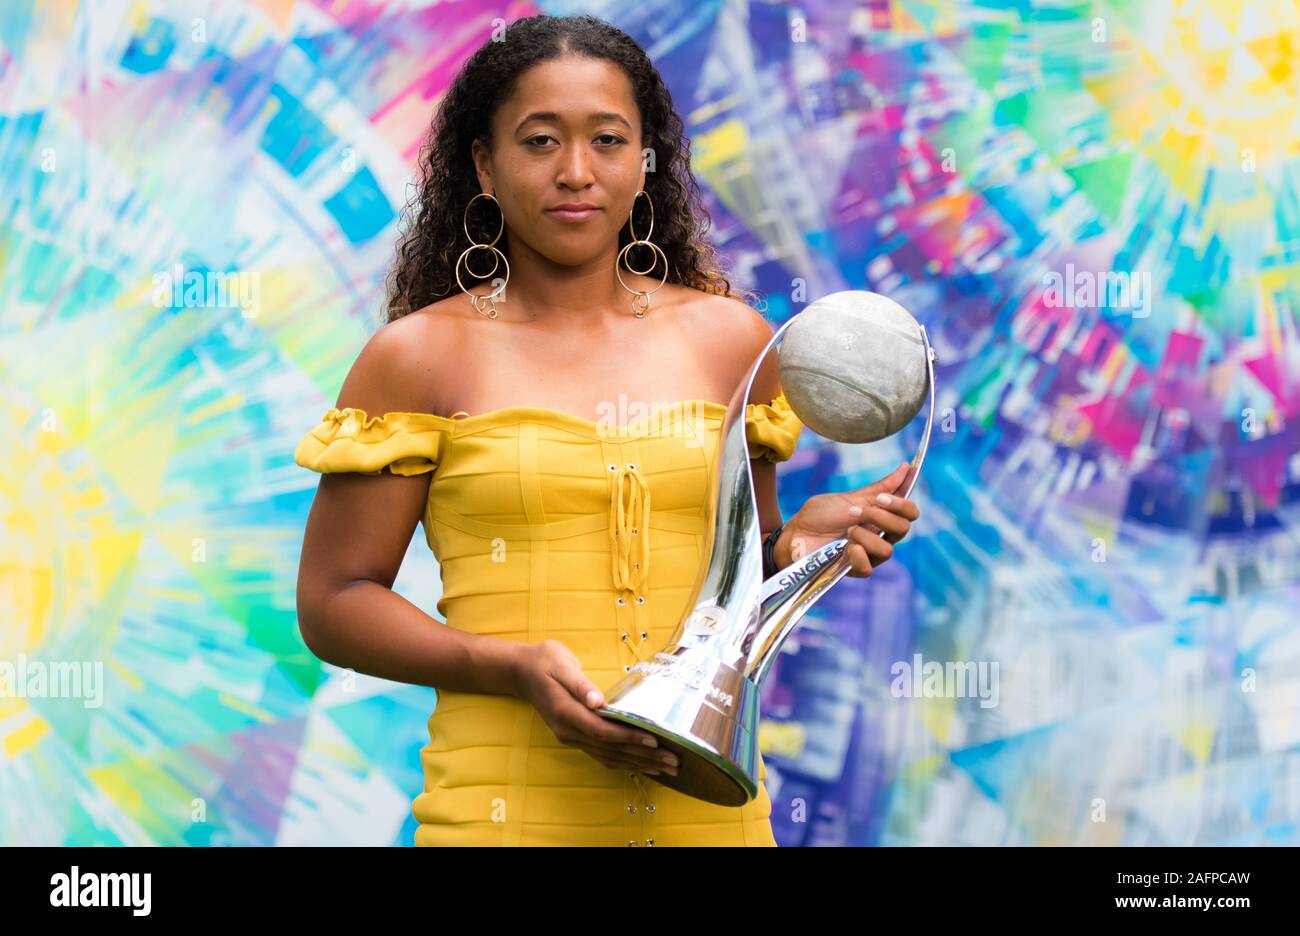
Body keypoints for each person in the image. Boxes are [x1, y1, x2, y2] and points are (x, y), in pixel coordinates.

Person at [293, 14, 919, 846]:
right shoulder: (418, 357)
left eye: (609, 140)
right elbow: (335, 601)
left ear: (645, 162)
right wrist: (506, 667)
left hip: (712, 820)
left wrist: (796, 553)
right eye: (540, 141)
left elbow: (739, 577)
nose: (577, 172)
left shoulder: (731, 341)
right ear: (484, 165)